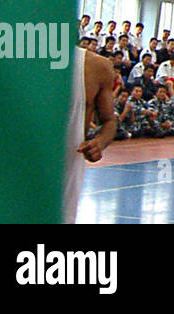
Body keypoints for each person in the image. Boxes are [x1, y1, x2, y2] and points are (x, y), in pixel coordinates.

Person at [65, 47, 118, 222]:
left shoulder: (96, 66)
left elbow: (109, 121)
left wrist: (100, 142)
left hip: (67, 169)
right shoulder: (11, 61)